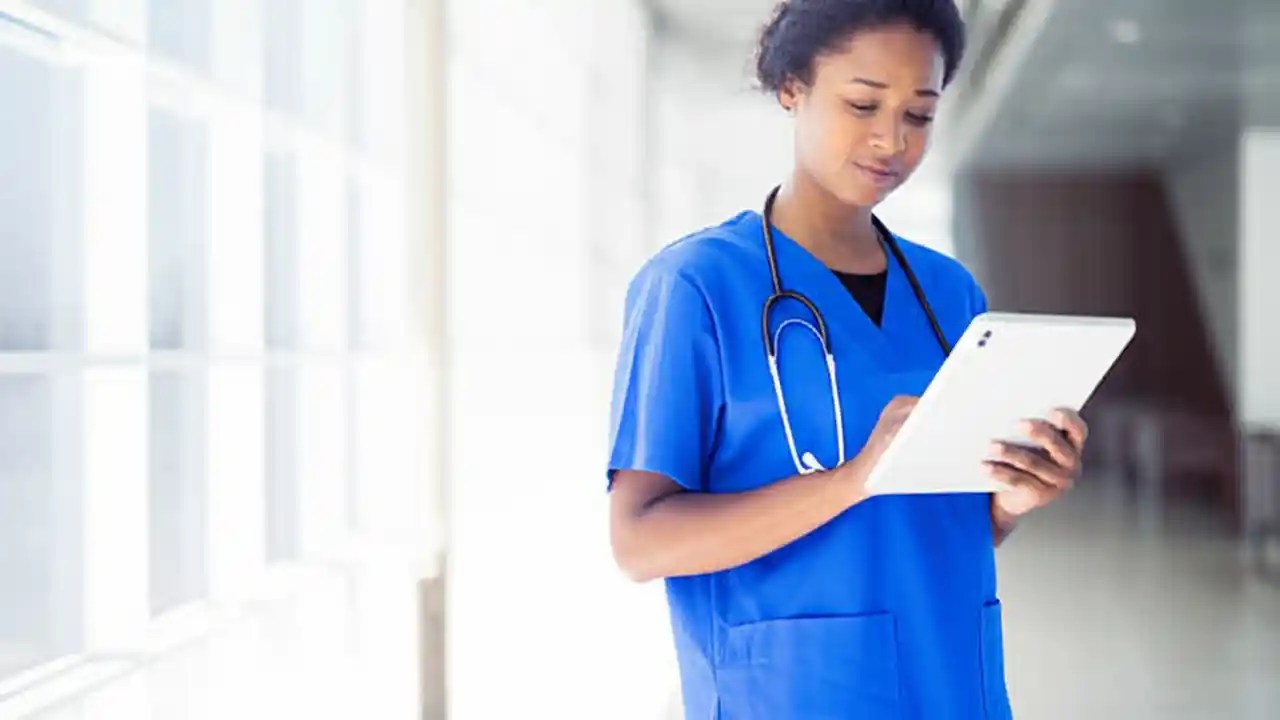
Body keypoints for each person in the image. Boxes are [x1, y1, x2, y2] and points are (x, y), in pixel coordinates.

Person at [605, 1, 1090, 718]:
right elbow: (638, 541)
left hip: (953, 681)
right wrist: (856, 478)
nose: (890, 139)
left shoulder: (949, 294)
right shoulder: (696, 288)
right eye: (863, 103)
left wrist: (1013, 498)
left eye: (919, 115)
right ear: (792, 86)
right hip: (791, 692)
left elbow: (940, 523)